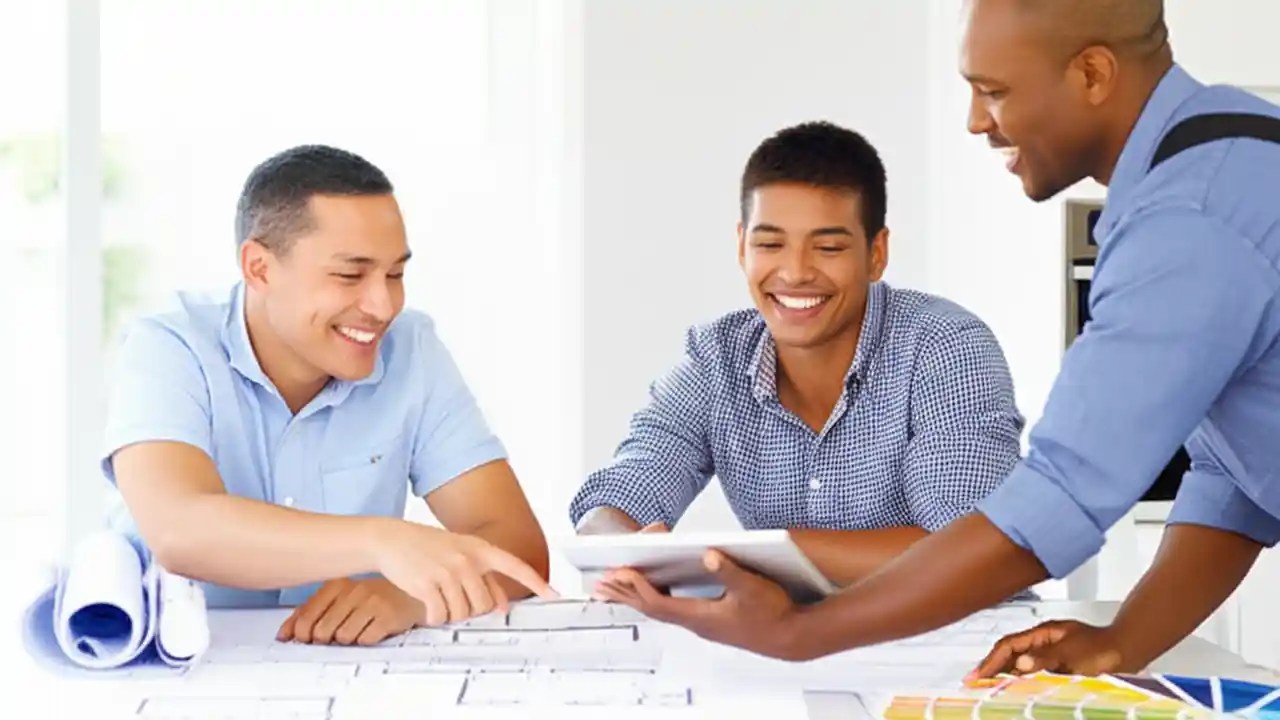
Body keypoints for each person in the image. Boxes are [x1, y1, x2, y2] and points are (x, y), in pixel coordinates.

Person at [595, 0, 1280, 676]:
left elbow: (1056, 499)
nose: (976, 121)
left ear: (1093, 74)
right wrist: (1122, 641)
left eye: (993, 91)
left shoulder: (1188, 220)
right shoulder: (1224, 157)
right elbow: (1235, 478)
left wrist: (803, 631)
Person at [103, 144, 556, 646]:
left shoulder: (412, 351)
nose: (383, 305)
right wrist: (384, 543)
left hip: (350, 673)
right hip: (183, 665)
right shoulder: (169, 346)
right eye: (349, 275)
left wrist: (409, 595)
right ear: (259, 268)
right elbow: (179, 529)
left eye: (395, 274)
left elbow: (516, 548)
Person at [574, 121, 1025, 589]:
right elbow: (611, 505)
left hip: (959, 644)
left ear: (876, 253)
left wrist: (752, 558)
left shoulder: (944, 346)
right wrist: (623, 550)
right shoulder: (715, 358)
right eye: (769, 244)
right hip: (787, 650)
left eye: (828, 247)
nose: (794, 272)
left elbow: (970, 549)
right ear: (741, 246)